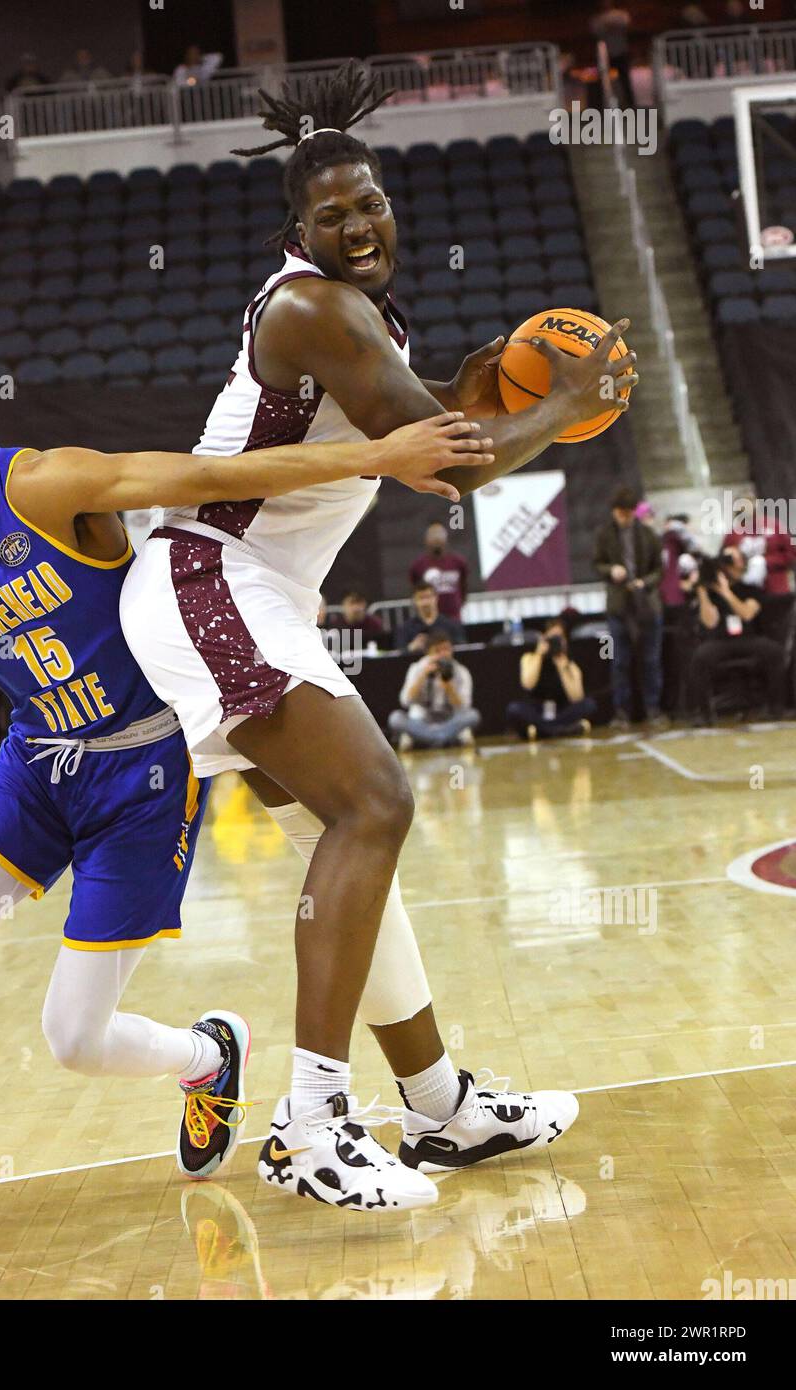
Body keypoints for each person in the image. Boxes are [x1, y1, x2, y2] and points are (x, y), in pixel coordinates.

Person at [120, 62, 636, 1210]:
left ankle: (441, 1104)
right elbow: (453, 466)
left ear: (391, 207)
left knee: (357, 844)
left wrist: (502, 389)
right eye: (332, 212)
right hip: (211, 575)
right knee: (380, 803)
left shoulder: (357, 318)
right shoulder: (313, 306)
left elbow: (435, 423)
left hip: (244, 593)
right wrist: (571, 399)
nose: (359, 223)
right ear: (296, 232)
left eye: (372, 202)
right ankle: (309, 1121)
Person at [0, 360, 474, 1244]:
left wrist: (376, 454)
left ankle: (210, 1057)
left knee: (74, 1040)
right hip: (34, 766)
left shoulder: (50, 482)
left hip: (142, 773)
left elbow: (206, 478)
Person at [593, 484, 666, 731]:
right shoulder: (604, 534)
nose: (623, 518)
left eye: (628, 513)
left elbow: (659, 570)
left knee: (651, 659)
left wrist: (643, 583)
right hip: (618, 607)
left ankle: (653, 709)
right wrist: (611, 570)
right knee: (619, 661)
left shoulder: (648, 535)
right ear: (614, 511)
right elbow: (596, 564)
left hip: (647, 605)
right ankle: (622, 712)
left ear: (634, 512)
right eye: (620, 513)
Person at [685, 545, 786, 723]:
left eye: (734, 560)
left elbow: (747, 613)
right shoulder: (710, 593)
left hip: (748, 639)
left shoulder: (750, 588)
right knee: (700, 657)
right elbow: (709, 622)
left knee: (775, 652)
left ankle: (776, 707)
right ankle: (703, 713)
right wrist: (702, 591)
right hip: (720, 640)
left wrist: (726, 592)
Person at [388, 630, 480, 751]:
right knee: (395, 718)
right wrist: (422, 677)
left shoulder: (461, 671)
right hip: (422, 720)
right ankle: (447, 737)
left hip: (450, 719)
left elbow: (464, 706)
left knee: (473, 716)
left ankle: (423, 738)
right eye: (437, 651)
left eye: (446, 649)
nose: (443, 654)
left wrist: (448, 686)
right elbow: (405, 701)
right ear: (428, 653)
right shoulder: (417, 668)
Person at [507, 618, 597, 740]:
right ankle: (561, 730)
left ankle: (543, 731)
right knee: (514, 709)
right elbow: (528, 684)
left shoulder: (570, 664)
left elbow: (576, 697)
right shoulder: (529, 658)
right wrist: (539, 655)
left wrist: (563, 667)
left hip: (562, 710)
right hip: (537, 710)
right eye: (551, 638)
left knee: (589, 705)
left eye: (559, 638)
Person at [409, 521, 467, 620]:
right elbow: (414, 589)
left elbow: (464, 586)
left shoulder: (458, 562)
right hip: (430, 618)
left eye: (439, 535)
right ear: (426, 540)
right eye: (433, 536)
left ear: (446, 538)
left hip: (454, 617)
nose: (436, 539)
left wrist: (458, 604)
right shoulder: (418, 565)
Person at [397, 581, 465, 652]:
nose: (425, 602)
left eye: (428, 597)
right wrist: (411, 647)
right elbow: (397, 653)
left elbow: (462, 648)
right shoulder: (405, 628)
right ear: (414, 601)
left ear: (436, 598)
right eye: (421, 598)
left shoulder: (452, 624)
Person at [590, 3, 634, 109]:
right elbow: (595, 31)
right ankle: (603, 106)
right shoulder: (597, 18)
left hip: (620, 51)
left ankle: (630, 104)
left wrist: (611, 26)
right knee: (604, 80)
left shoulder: (621, 14)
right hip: (605, 54)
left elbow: (627, 25)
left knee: (625, 80)